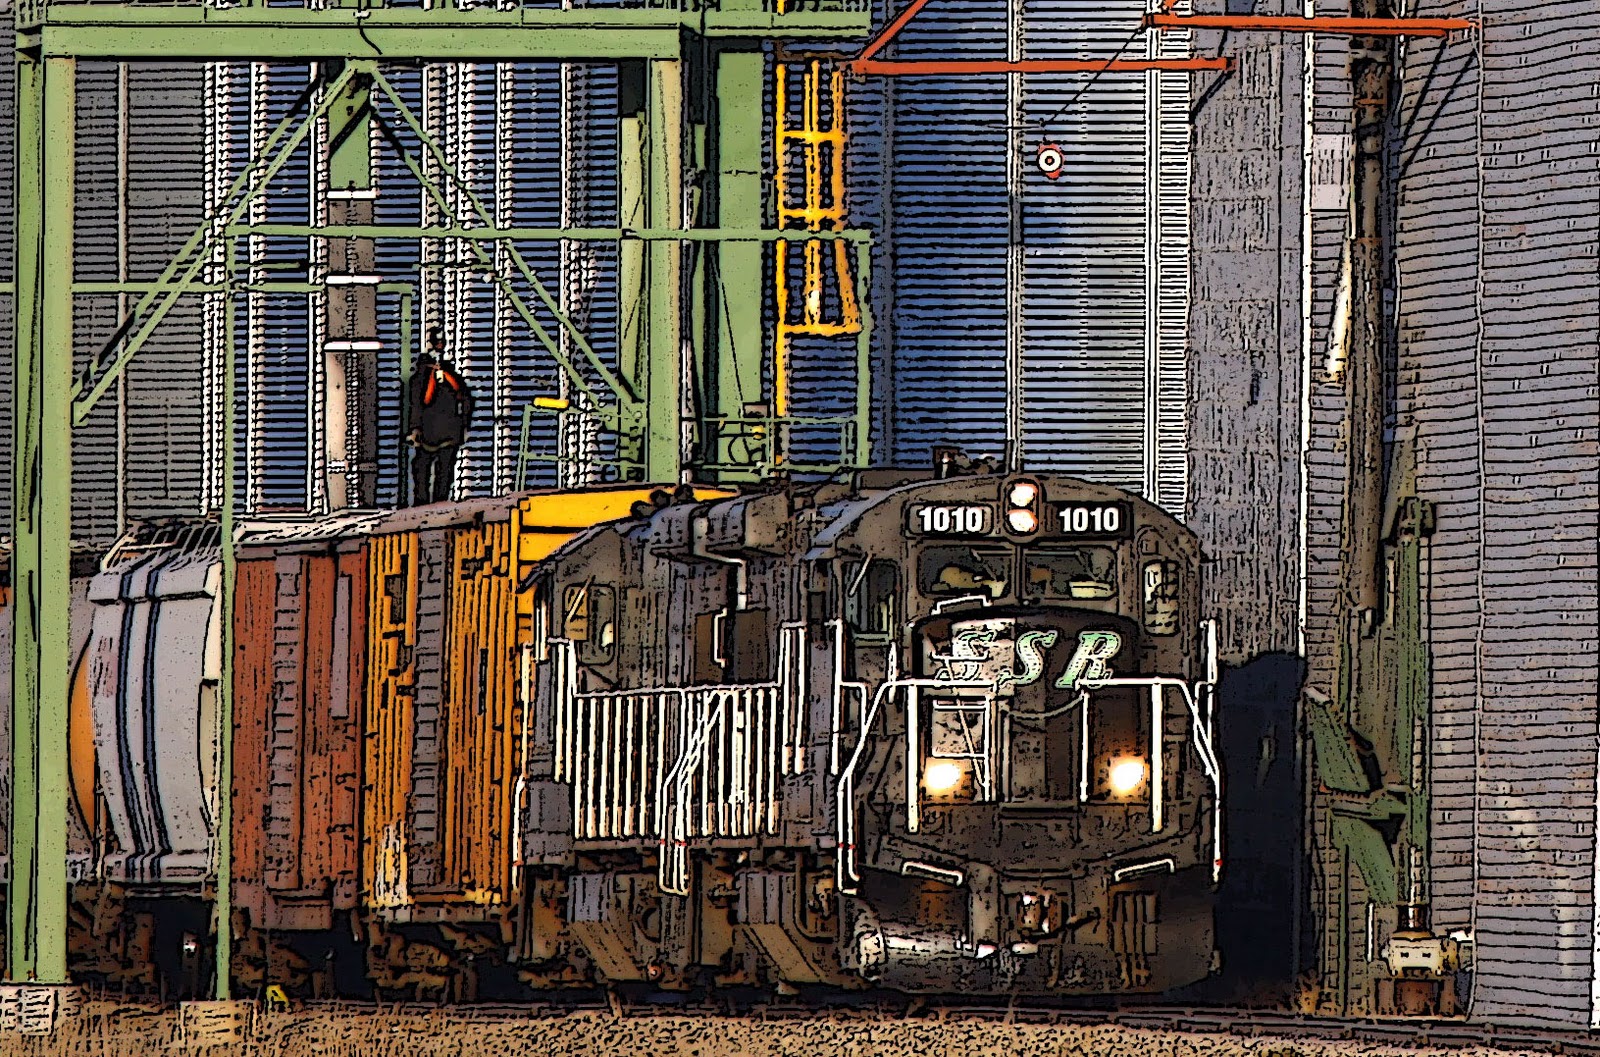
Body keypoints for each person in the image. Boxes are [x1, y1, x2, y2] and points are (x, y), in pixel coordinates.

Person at [408, 331, 475, 505]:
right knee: (443, 468)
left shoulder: (421, 378)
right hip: (449, 432)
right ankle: (439, 500)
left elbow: (416, 403)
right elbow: (466, 400)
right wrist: (464, 425)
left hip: (429, 432)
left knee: (422, 466)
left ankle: (422, 501)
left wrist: (414, 428)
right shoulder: (452, 378)